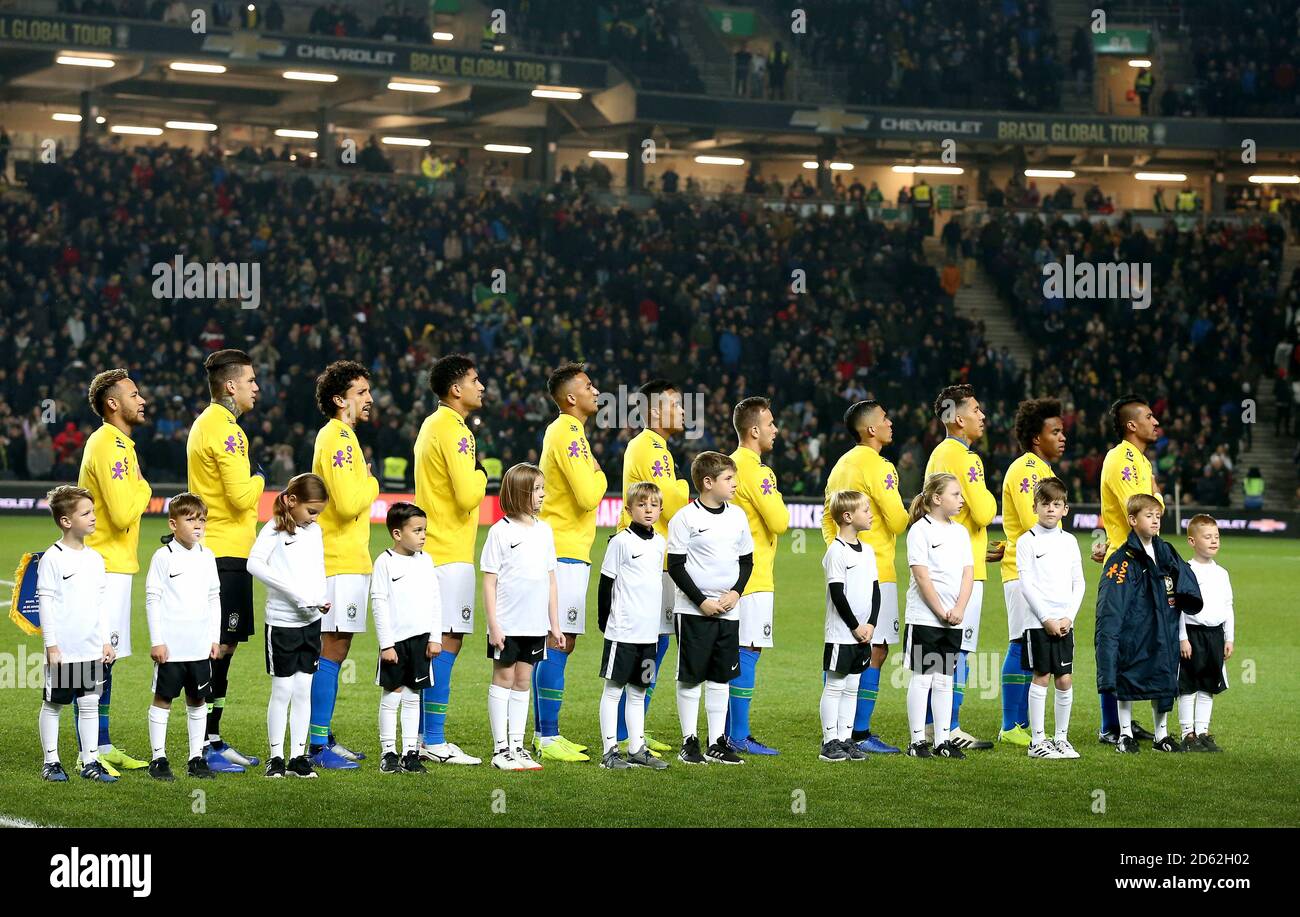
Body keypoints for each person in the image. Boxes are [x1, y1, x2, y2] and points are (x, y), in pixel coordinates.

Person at [186, 348, 265, 772]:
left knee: (218, 646)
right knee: (219, 648)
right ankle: (206, 742)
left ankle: (210, 738)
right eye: (251, 381)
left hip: (213, 549)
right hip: (227, 551)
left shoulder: (205, 422)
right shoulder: (229, 431)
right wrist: (261, 478)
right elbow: (239, 496)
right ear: (231, 385)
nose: (256, 388)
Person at [820, 400, 908, 754]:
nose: (890, 423)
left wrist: (838, 550)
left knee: (844, 645)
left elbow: (828, 516)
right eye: (885, 418)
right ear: (870, 429)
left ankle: (839, 732)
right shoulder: (879, 465)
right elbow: (899, 520)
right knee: (877, 646)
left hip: (846, 562)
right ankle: (858, 731)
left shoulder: (841, 464)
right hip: (877, 567)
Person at [413, 353, 487, 765]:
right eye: (475, 380)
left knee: (435, 642)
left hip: (432, 548)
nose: (482, 387)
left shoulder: (430, 425)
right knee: (447, 641)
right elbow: (466, 493)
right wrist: (482, 474)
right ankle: (434, 739)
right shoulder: (457, 431)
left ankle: (422, 734)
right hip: (450, 550)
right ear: (455, 389)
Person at [77, 369, 152, 775]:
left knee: (107, 660)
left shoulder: (120, 443)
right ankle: (88, 753)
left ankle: (102, 744)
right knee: (94, 659)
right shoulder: (108, 443)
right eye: (134, 394)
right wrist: (145, 488)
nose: (142, 401)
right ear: (113, 403)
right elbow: (124, 512)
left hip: (115, 565)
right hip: (103, 566)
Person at [308, 361, 380, 769]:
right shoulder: (338, 438)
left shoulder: (343, 437)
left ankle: (321, 734)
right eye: (361, 392)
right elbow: (349, 502)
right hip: (338, 559)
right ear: (340, 399)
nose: (368, 399)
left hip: (345, 557)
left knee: (334, 647)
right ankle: (317, 743)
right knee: (331, 648)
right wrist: (371, 483)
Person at [534, 363, 607, 762]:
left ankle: (543, 733)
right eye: (588, 386)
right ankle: (547, 736)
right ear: (571, 398)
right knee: (557, 641)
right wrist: (601, 475)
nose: (596, 390)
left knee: (557, 642)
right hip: (563, 550)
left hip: (566, 549)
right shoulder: (568, 430)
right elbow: (587, 495)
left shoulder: (567, 431)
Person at [614, 379, 690, 753]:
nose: (683, 411)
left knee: (655, 641)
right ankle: (624, 730)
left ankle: (634, 725)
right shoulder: (651, 447)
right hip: (647, 559)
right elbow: (672, 503)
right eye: (676, 404)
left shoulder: (651, 446)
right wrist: (681, 485)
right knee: (644, 642)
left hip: (652, 557)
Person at [1096, 494, 1203, 754]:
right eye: (1148, 516)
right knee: (1127, 678)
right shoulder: (1122, 560)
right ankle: (1124, 733)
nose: (1155, 521)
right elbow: (1111, 606)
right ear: (1132, 520)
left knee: (1164, 678)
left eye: (1158, 516)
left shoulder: (1165, 551)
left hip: (1163, 628)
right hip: (1135, 633)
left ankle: (1161, 735)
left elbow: (1184, 582)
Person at [667, 452, 754, 765]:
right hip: (693, 611)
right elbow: (675, 566)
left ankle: (716, 741)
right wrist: (701, 601)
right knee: (692, 677)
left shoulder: (738, 516)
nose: (735, 484)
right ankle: (689, 741)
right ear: (707, 482)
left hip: (729, 609)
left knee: (721, 676)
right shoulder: (685, 518)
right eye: (728, 479)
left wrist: (736, 592)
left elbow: (747, 561)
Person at [923, 385, 997, 750]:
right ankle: (949, 727)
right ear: (959, 417)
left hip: (938, 561)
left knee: (934, 648)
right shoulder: (967, 458)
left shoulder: (938, 453)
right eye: (977, 409)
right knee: (960, 650)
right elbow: (984, 512)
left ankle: (927, 727)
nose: (983, 416)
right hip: (965, 568)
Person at [248, 473, 330, 778]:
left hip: (311, 622)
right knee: (282, 689)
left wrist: (320, 598)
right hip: (282, 622)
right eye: (311, 511)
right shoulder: (274, 529)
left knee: (303, 689)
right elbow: (254, 564)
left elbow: (317, 568)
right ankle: (276, 757)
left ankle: (298, 756)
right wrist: (295, 595)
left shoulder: (315, 531)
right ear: (292, 501)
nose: (314, 518)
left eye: (318, 513)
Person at [1093, 395, 1163, 744]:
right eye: (1150, 417)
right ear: (1131, 425)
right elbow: (1142, 512)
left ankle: (1124, 721)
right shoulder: (1122, 458)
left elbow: (1150, 508)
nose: (1157, 422)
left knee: (1135, 643)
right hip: (1125, 565)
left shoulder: (1139, 461)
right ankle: (1110, 725)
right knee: (1117, 644)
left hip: (1137, 562)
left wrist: (1154, 498)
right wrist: (1154, 499)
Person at [482, 463, 560, 771]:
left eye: (542, 489)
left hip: (535, 624)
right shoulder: (500, 532)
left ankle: (517, 745)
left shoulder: (544, 530)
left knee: (524, 680)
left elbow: (551, 579)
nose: (542, 495)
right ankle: (500, 748)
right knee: (504, 678)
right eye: (537, 490)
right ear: (519, 493)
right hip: (508, 623)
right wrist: (493, 625)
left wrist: (554, 625)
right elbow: (489, 582)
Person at [997, 398, 1066, 747]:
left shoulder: (1042, 470)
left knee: (1029, 645)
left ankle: (1019, 722)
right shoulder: (1028, 469)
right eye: (1055, 431)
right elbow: (1031, 522)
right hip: (1025, 573)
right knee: (1019, 644)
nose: (1062, 437)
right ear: (1037, 438)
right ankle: (1011, 725)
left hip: (1038, 574)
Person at [37, 485, 116, 783]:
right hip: (65, 650)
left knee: (89, 703)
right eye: (86, 513)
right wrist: (52, 646)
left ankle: (90, 761)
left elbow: (100, 603)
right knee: (54, 704)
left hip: (91, 648)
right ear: (66, 521)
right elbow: (45, 604)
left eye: (93, 511)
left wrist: (106, 639)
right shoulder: (53, 559)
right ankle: (51, 761)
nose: (94, 517)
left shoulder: (95, 559)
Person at [727, 396, 789, 755]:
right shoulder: (759, 472)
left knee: (731, 652)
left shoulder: (730, 465)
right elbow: (779, 521)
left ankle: (724, 732)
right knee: (748, 649)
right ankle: (738, 734)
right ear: (754, 430)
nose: (775, 430)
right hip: (755, 576)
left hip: (729, 574)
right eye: (770, 424)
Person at [144, 493, 221, 781]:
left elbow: (214, 597)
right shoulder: (163, 557)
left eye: (202, 520)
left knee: (198, 700)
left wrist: (214, 637)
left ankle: (196, 758)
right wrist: (157, 640)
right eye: (191, 520)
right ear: (173, 524)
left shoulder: (207, 555)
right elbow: (152, 598)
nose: (198, 526)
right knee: (163, 698)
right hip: (172, 648)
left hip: (200, 647)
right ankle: (158, 758)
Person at [597, 481, 670, 770]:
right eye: (641, 505)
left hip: (648, 634)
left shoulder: (661, 542)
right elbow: (606, 583)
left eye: (653, 505)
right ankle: (609, 752)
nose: (648, 510)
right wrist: (605, 621)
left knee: (639, 691)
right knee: (614, 689)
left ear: (661, 509)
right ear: (628, 509)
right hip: (623, 631)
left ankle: (637, 748)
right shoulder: (620, 542)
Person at [903, 473, 972, 759]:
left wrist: (958, 609)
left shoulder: (960, 532)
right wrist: (941, 611)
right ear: (936, 498)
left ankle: (942, 740)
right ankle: (917, 741)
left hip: (953, 617)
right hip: (924, 618)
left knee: (944, 678)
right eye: (955, 494)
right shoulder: (920, 530)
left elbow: (969, 573)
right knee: (923, 678)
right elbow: (921, 576)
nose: (961, 499)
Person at [1016, 478, 1084, 760]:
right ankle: (1037, 741)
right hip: (1038, 623)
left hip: (1064, 622)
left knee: (1065, 679)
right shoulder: (1026, 541)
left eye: (1056, 505)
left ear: (1065, 509)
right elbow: (1027, 584)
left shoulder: (1069, 541)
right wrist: (1045, 618)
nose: (1050, 510)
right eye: (1045, 504)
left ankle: (1061, 738)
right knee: (1042, 676)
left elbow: (1078, 582)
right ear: (1035, 507)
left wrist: (1069, 616)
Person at [371, 502, 442, 774]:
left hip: (421, 641)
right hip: (395, 643)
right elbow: (379, 604)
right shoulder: (384, 562)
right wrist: (386, 644)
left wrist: (435, 637)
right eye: (417, 530)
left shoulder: (426, 561)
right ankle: (388, 752)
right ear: (397, 534)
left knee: (414, 696)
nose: (423, 535)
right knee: (393, 695)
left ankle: (410, 752)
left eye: (425, 530)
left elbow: (435, 600)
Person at [819, 490, 878, 762]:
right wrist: (855, 626)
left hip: (863, 634)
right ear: (847, 516)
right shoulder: (836, 551)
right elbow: (837, 594)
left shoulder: (867, 550)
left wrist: (871, 624)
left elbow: (875, 591)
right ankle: (829, 741)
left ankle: (846, 739)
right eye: (865, 510)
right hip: (842, 634)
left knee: (853, 686)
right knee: (835, 686)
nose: (870, 514)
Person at [1178, 515, 1234, 752]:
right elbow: (1179, 607)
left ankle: (1203, 732)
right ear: (1192, 540)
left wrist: (1229, 637)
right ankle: (1187, 733)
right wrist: (1182, 637)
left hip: (1215, 636)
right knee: (1188, 685)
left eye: (1216, 537)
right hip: (1192, 635)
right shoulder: (1187, 571)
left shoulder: (1222, 573)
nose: (1214, 541)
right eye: (1207, 537)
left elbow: (1228, 604)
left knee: (1208, 685)